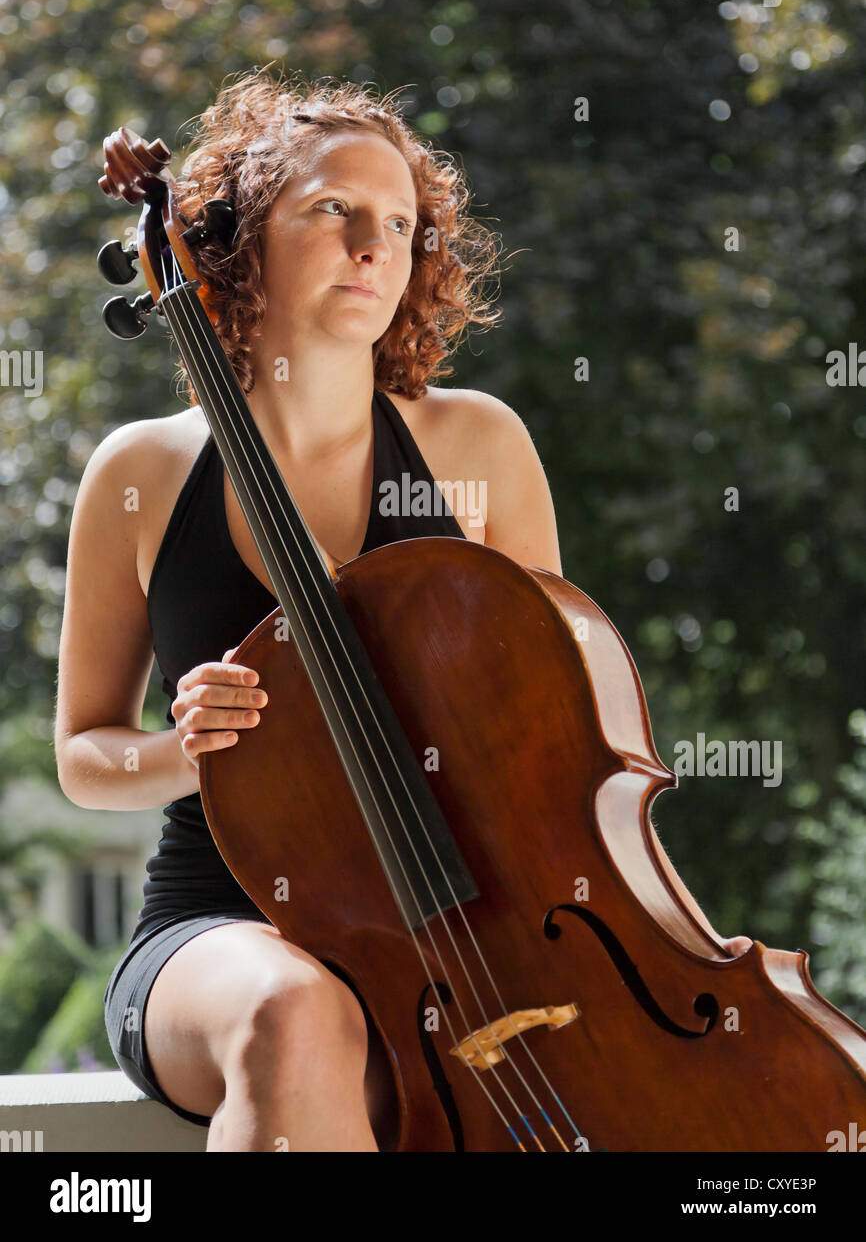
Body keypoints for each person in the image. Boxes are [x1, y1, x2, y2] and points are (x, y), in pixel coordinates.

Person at [54, 71, 750, 1152]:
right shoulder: (139, 470)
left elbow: (561, 752)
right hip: (219, 932)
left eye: (400, 224)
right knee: (297, 1015)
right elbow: (84, 756)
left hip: (472, 928)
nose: (372, 245)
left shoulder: (476, 447)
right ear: (239, 244)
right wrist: (189, 750)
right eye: (331, 210)